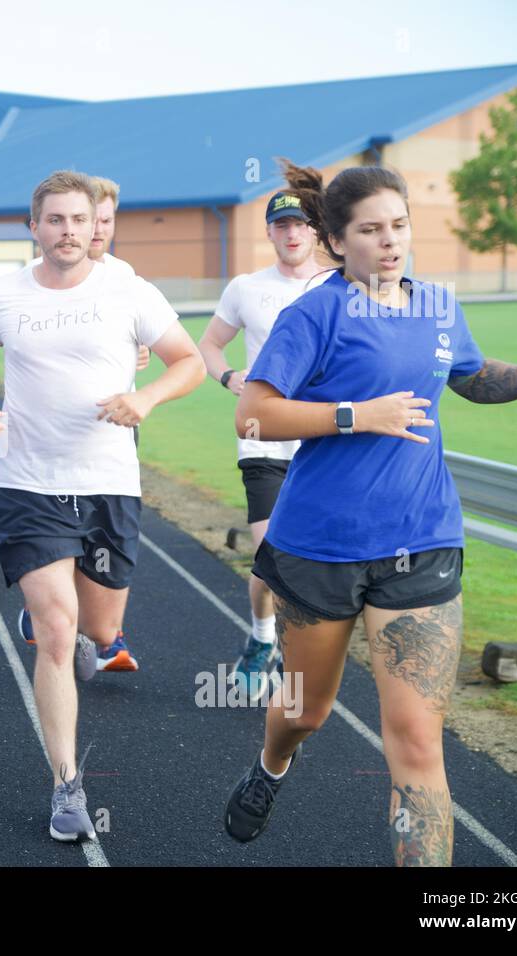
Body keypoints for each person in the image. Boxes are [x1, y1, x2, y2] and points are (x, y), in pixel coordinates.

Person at [222, 159, 517, 866]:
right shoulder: (313, 315)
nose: (390, 242)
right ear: (335, 238)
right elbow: (255, 414)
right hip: (320, 548)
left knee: (418, 743)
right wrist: (357, 415)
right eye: (370, 230)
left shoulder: (439, 306)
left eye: (400, 226)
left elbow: (469, 375)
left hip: (422, 542)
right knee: (305, 713)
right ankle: (270, 768)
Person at [0, 170, 205, 841]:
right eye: (54, 220)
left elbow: (190, 362)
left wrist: (145, 400)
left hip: (108, 485)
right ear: (34, 226)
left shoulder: (128, 290)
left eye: (79, 221)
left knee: (97, 629)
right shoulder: (2, 293)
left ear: (97, 226)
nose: (67, 232)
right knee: (56, 630)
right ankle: (67, 786)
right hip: (28, 484)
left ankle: (92, 639)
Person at [197, 191, 330, 702]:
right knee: (270, 558)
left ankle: (305, 657)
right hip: (263, 443)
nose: (291, 233)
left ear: (315, 231)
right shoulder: (246, 288)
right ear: (270, 233)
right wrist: (228, 375)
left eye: (300, 224)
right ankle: (261, 636)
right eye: (282, 226)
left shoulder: (338, 286)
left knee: (315, 564)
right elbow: (209, 345)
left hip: (323, 442)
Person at [17, 175, 147, 672]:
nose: (93, 232)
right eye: (63, 220)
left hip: (116, 424)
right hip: (44, 449)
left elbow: (154, 343)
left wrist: (141, 359)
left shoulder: (126, 279)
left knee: (99, 533)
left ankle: (95, 628)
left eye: (103, 221)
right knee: (58, 536)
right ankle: (54, 609)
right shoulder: (43, 276)